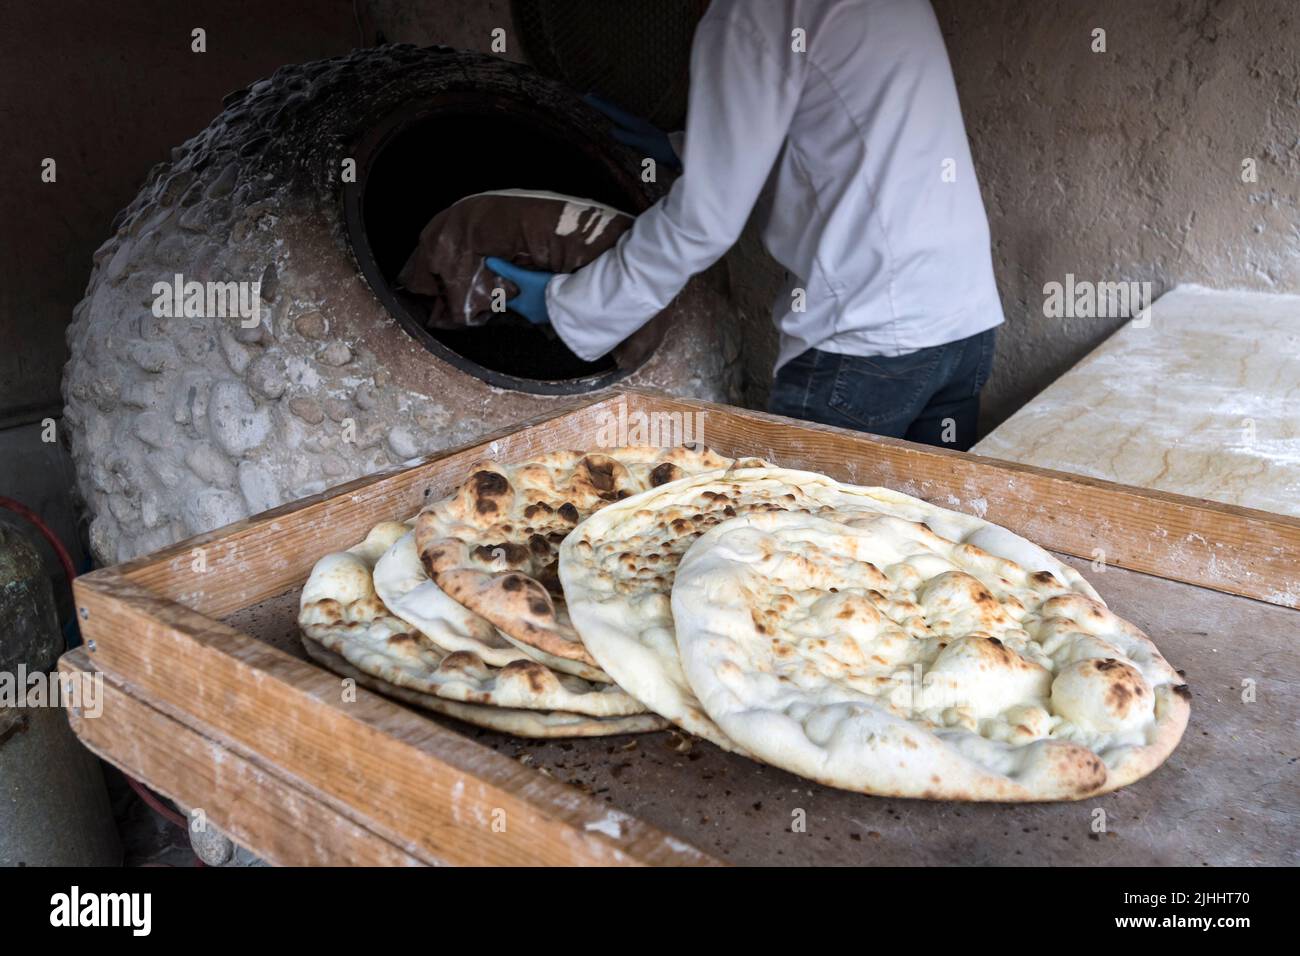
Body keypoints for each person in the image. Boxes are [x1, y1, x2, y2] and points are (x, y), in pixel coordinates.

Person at [488, 0, 1003, 451]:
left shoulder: (752, 11)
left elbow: (703, 223)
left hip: (867, 345)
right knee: (925, 539)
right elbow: (841, 120)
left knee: (801, 549)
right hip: (964, 321)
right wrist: (688, 147)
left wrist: (573, 306)